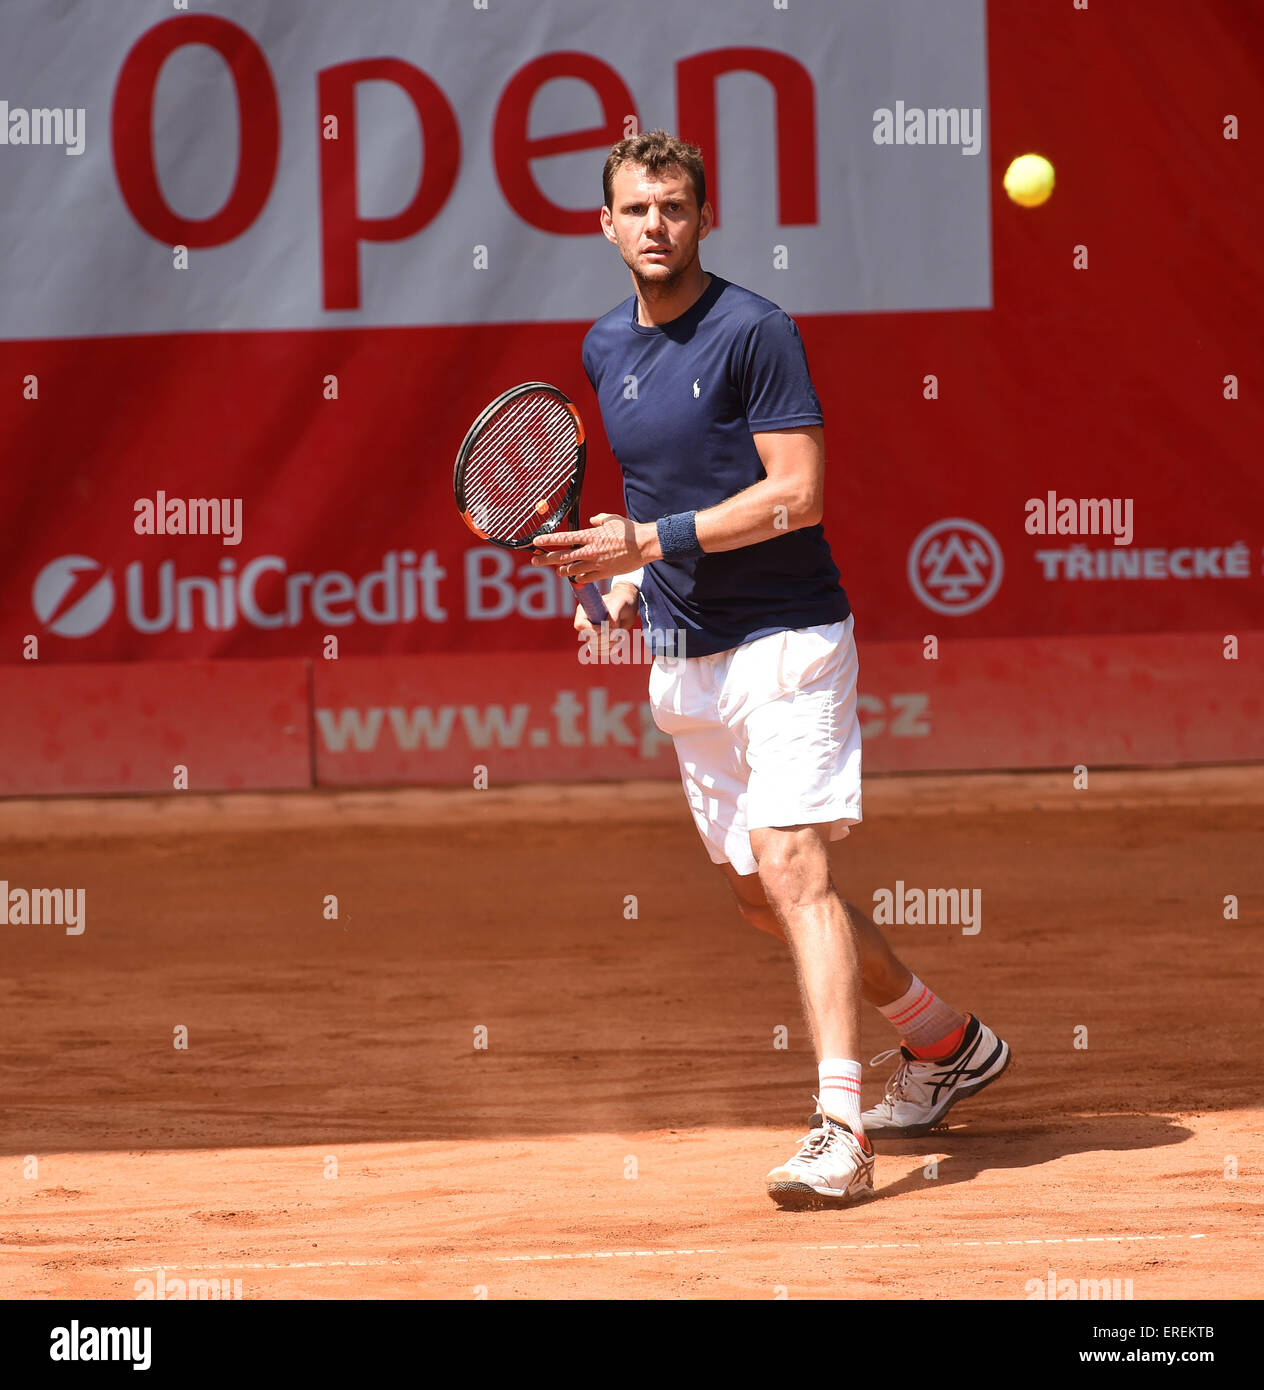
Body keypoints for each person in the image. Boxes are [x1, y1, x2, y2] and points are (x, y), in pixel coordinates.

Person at [531, 130, 1010, 1208]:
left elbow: (795, 493)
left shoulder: (758, 331)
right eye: (636, 209)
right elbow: (654, 499)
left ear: (704, 218)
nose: (656, 224)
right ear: (603, 226)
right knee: (765, 901)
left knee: (795, 870)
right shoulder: (604, 347)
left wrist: (646, 546)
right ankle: (945, 1042)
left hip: (789, 637)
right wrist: (617, 580)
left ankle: (839, 1127)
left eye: (673, 206)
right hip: (684, 655)